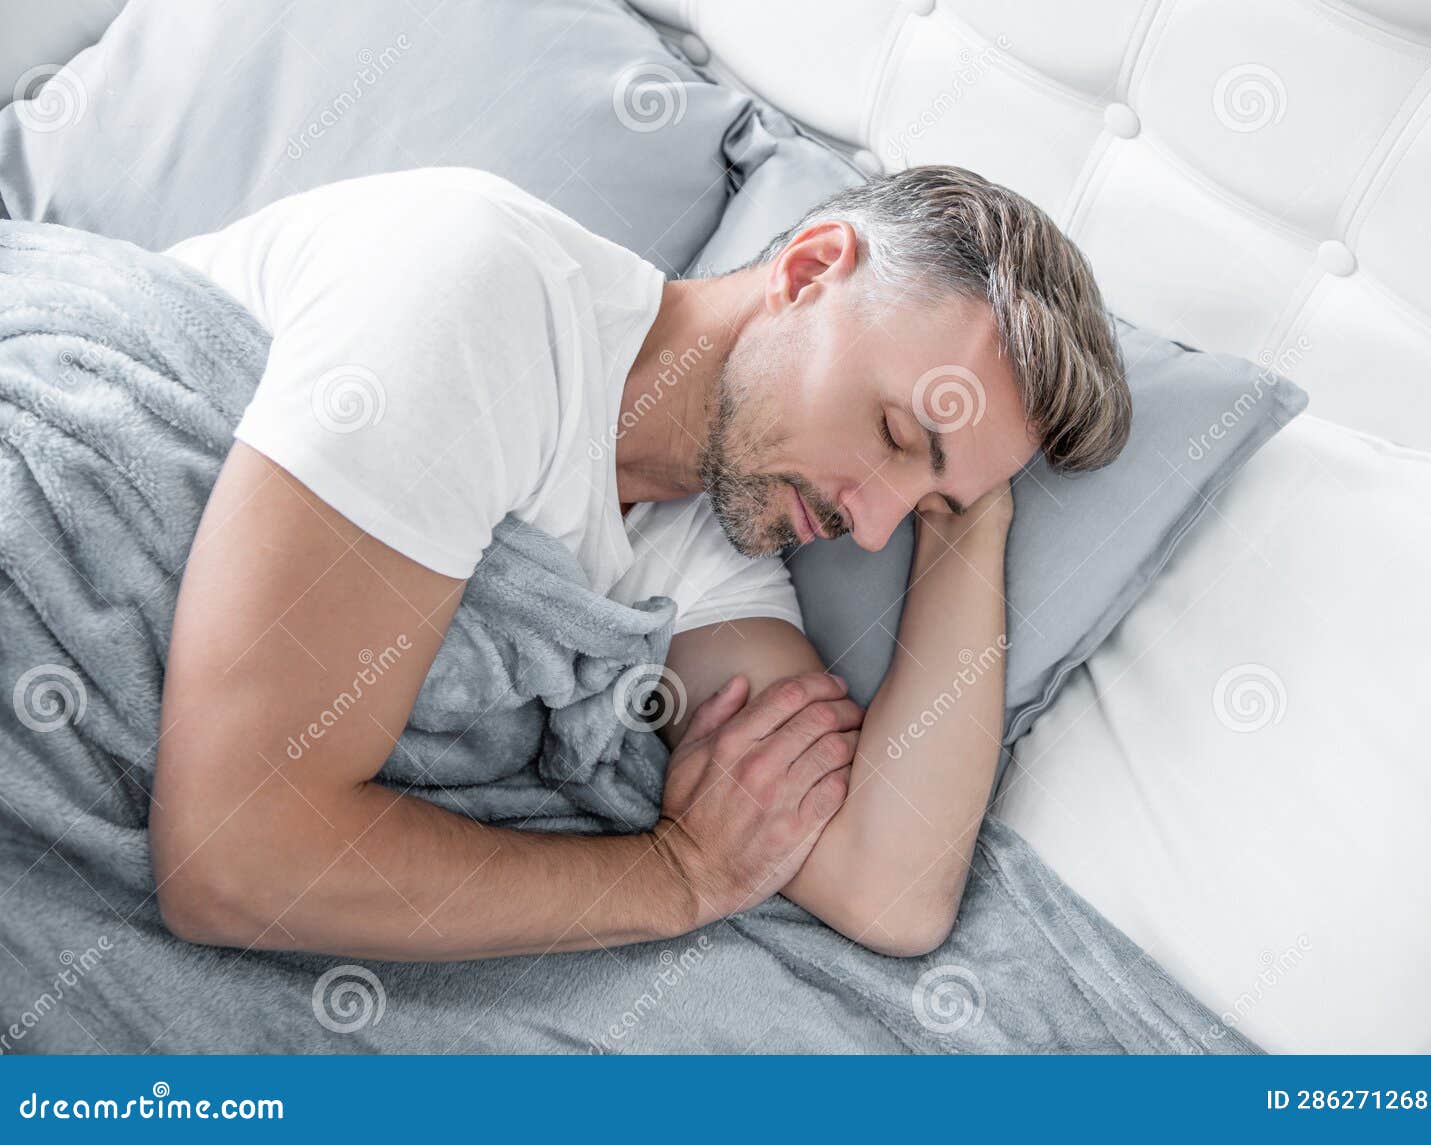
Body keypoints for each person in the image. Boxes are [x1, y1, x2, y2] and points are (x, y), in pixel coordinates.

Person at [150, 163, 1130, 959]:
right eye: (892, 432)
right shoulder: (486, 291)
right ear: (807, 271)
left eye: (920, 506)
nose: (870, 530)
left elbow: (892, 889)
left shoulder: (709, 550)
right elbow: (231, 855)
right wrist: (673, 877)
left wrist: (970, 518)